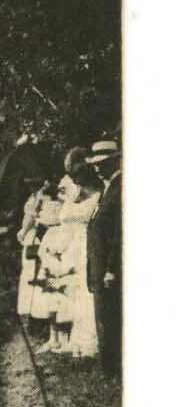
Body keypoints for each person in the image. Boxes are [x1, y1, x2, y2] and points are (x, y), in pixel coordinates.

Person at [41, 153, 102, 356]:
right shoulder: (75, 196)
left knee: (85, 291)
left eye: (77, 177)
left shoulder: (96, 197)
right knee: (75, 293)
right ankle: (75, 341)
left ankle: (89, 344)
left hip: (85, 245)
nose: (75, 181)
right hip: (72, 245)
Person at [85, 139, 122, 378]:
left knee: (110, 317)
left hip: (109, 267)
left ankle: (112, 370)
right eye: (95, 164)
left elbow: (120, 233)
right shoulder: (106, 190)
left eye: (103, 164)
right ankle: (108, 367)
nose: (97, 169)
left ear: (115, 161)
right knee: (103, 316)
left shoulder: (121, 189)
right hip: (98, 265)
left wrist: (111, 269)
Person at [15, 179, 58, 342]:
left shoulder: (41, 196)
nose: (29, 183)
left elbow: (33, 217)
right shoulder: (35, 195)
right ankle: (32, 318)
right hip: (31, 238)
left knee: (36, 277)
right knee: (30, 277)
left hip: (36, 237)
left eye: (32, 180)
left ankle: (38, 320)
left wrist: (23, 231)